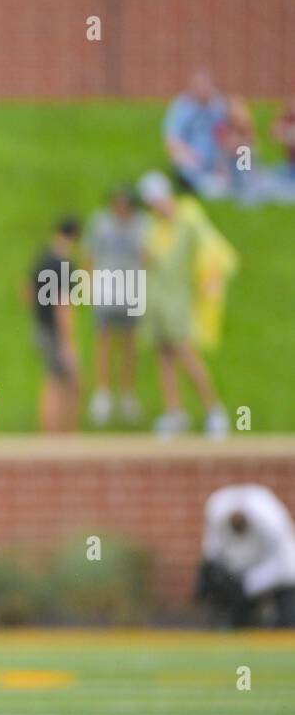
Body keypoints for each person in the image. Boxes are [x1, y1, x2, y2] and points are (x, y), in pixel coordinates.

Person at [136, 171, 230, 438]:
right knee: (163, 355)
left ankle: (214, 410)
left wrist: (212, 278)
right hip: (155, 299)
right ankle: (174, 412)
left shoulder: (189, 218)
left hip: (178, 299)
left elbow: (211, 250)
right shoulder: (150, 227)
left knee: (186, 353)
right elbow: (146, 261)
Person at [83, 186, 148, 426]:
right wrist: (88, 285)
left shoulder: (141, 224)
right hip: (106, 288)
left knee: (129, 342)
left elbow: (146, 255)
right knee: (103, 340)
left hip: (131, 288)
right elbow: (90, 255)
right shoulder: (101, 223)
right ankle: (102, 394)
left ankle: (127, 394)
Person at [197, 485, 295, 629]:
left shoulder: (270, 521)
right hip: (243, 574)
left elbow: (282, 564)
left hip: (281, 576)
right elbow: (213, 552)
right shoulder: (217, 512)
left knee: (287, 623)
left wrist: (249, 584)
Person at [24, 216, 81, 432]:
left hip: (42, 327)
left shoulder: (44, 258)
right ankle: (59, 435)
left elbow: (26, 291)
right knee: (62, 383)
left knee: (54, 379)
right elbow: (62, 304)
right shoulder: (63, 264)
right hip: (56, 332)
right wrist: (68, 342)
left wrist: (40, 313)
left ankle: (52, 434)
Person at [162, 69, 228, 198]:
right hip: (192, 161)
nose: (204, 90)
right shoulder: (183, 107)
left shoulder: (219, 106)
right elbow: (172, 139)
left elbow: (227, 134)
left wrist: (223, 161)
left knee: (243, 153)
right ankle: (205, 186)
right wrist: (188, 157)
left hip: (218, 160)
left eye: (207, 86)